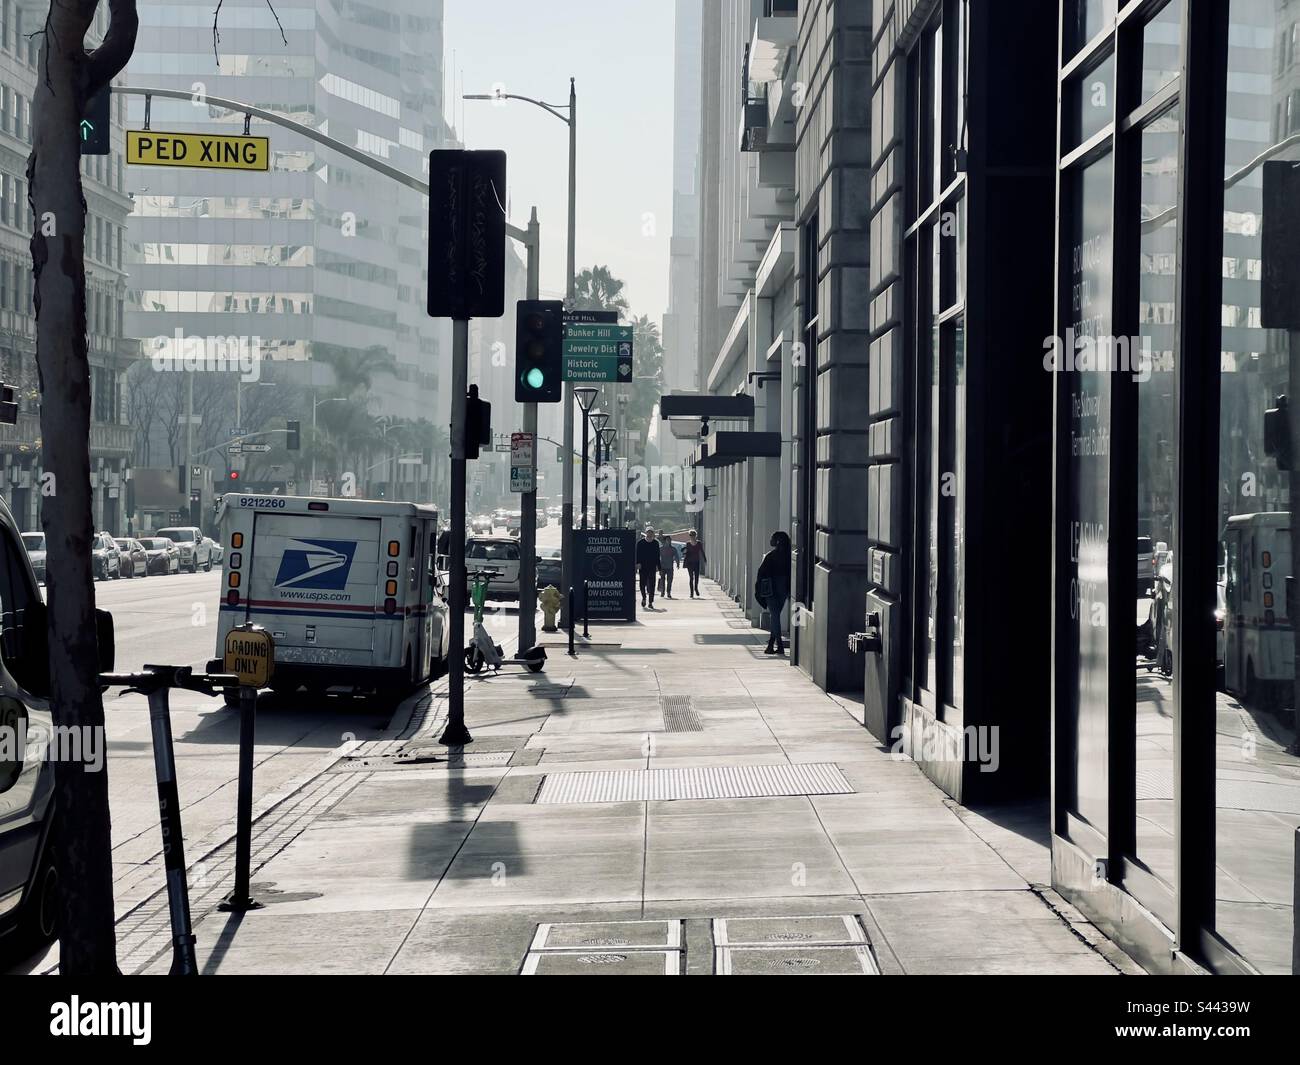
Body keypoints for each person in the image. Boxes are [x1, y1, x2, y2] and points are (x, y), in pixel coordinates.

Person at [754, 530, 792, 655]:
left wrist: (759, 588)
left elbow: (761, 572)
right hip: (784, 587)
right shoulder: (789, 556)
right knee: (775, 616)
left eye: (772, 538)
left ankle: (776, 644)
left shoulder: (770, 556)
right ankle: (774, 644)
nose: (770, 540)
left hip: (771, 588)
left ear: (777, 541)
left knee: (774, 616)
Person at [635, 526, 662, 609]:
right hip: (643, 566)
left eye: (651, 532)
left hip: (652, 566)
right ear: (646, 533)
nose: (650, 533)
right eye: (648, 532)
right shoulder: (640, 543)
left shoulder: (655, 543)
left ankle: (650, 601)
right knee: (642, 584)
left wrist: (659, 567)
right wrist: (637, 564)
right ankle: (644, 598)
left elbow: (657, 556)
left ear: (653, 533)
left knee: (652, 584)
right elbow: (637, 554)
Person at [682, 529, 706, 598]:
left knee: (696, 577)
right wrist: (684, 552)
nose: (692, 536)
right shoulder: (688, 544)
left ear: (695, 535)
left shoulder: (699, 543)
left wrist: (704, 559)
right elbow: (686, 552)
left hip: (696, 562)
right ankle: (691, 592)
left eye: (693, 535)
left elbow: (702, 551)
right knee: (691, 578)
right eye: (690, 535)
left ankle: (696, 588)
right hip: (689, 562)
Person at [658, 533, 678, 599]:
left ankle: (668, 592)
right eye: (667, 540)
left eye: (669, 540)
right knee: (662, 580)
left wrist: (677, 563)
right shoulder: (660, 549)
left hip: (670, 567)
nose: (669, 541)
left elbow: (676, 556)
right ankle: (662, 592)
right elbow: (657, 557)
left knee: (670, 580)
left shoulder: (673, 549)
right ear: (665, 541)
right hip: (662, 567)